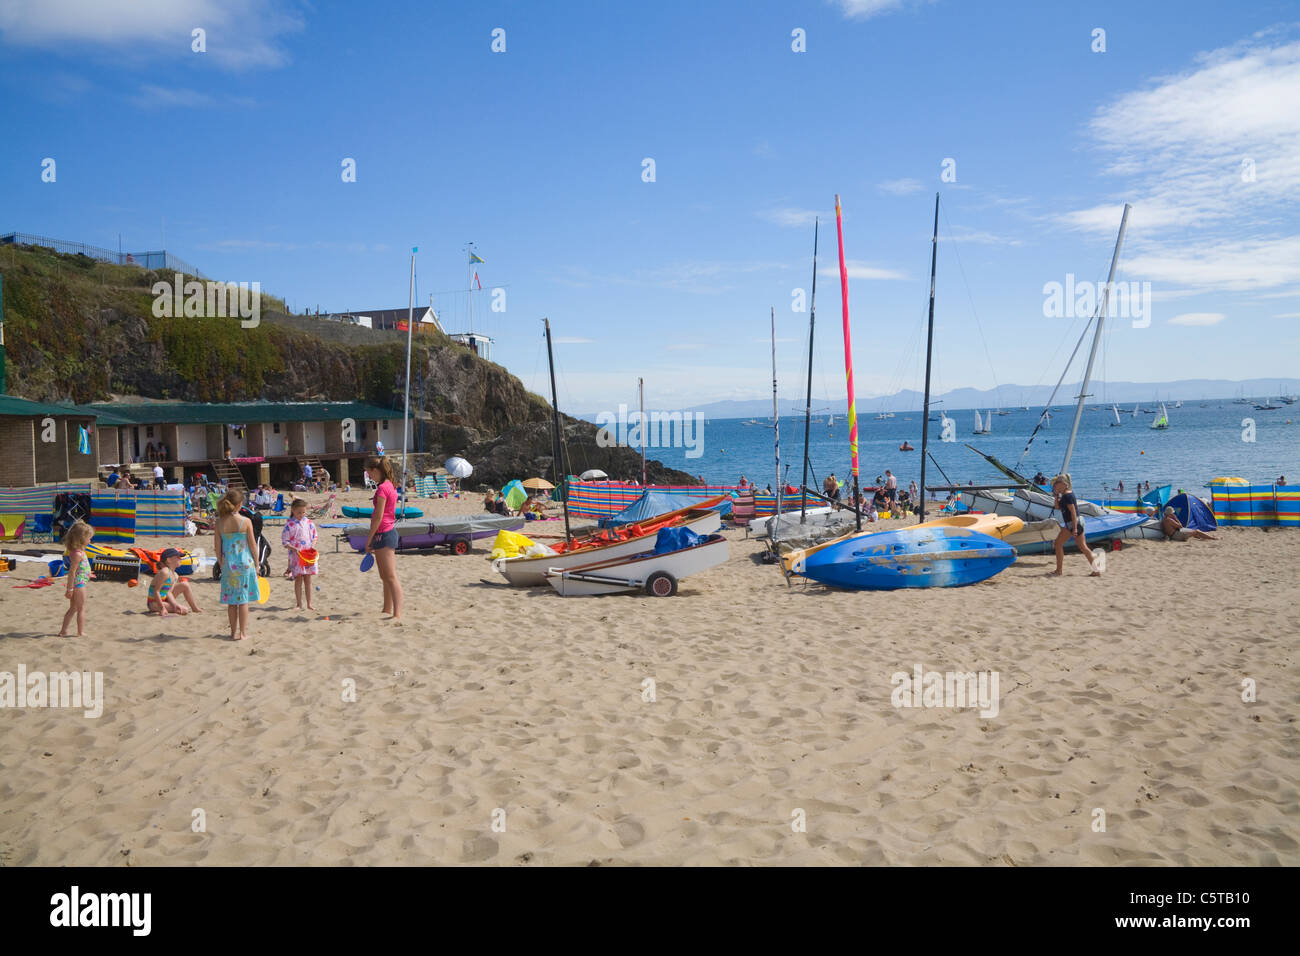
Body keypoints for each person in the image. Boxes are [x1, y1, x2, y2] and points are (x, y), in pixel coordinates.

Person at [362, 456, 404, 622]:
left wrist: (368, 540)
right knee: (385, 576)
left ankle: (397, 613)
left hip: (384, 533)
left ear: (375, 470)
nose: (369, 476)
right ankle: (387, 609)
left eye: (369, 472)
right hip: (386, 533)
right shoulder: (389, 486)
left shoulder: (382, 489)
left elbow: (378, 517)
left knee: (390, 576)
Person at [214, 489, 259, 641]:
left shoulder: (219, 522)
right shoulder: (246, 521)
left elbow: (217, 547)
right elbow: (253, 546)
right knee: (243, 600)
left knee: (232, 601)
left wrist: (221, 563)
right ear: (240, 504)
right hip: (245, 563)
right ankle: (242, 633)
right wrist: (257, 564)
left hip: (229, 564)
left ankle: (233, 632)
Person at [1048, 473, 1099, 577]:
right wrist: (1056, 495)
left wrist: (1074, 528)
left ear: (1062, 483)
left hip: (1074, 523)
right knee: (1060, 544)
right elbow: (1057, 507)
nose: (1054, 485)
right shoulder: (1064, 495)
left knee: (1080, 547)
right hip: (1070, 524)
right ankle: (1059, 570)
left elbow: (1073, 512)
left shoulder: (1068, 495)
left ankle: (1096, 570)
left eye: (1056, 483)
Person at [281, 498, 320, 610]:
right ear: (293, 510)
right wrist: (294, 549)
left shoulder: (308, 522)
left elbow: (315, 536)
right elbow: (285, 542)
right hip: (296, 556)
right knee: (298, 579)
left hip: (308, 555)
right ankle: (299, 604)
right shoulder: (289, 524)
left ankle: (309, 604)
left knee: (308, 579)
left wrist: (312, 545)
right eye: (299, 512)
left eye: (303, 512)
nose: (302, 515)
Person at [57, 520, 94, 638]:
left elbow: (80, 569)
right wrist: (70, 589)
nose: (90, 540)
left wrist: (88, 573)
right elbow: (72, 572)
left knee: (73, 608)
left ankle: (63, 631)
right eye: (89, 538)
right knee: (81, 608)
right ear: (81, 539)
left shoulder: (79, 552)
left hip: (78, 583)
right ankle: (80, 632)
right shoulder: (78, 554)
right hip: (78, 585)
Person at [147, 548, 202, 616]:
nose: (181, 559)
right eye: (178, 557)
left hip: (164, 600)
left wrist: (175, 605)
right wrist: (162, 608)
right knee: (185, 610)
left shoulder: (175, 575)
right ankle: (165, 607)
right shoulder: (165, 572)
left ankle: (195, 608)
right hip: (154, 603)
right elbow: (156, 591)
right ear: (169, 560)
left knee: (185, 585)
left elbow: (169, 592)